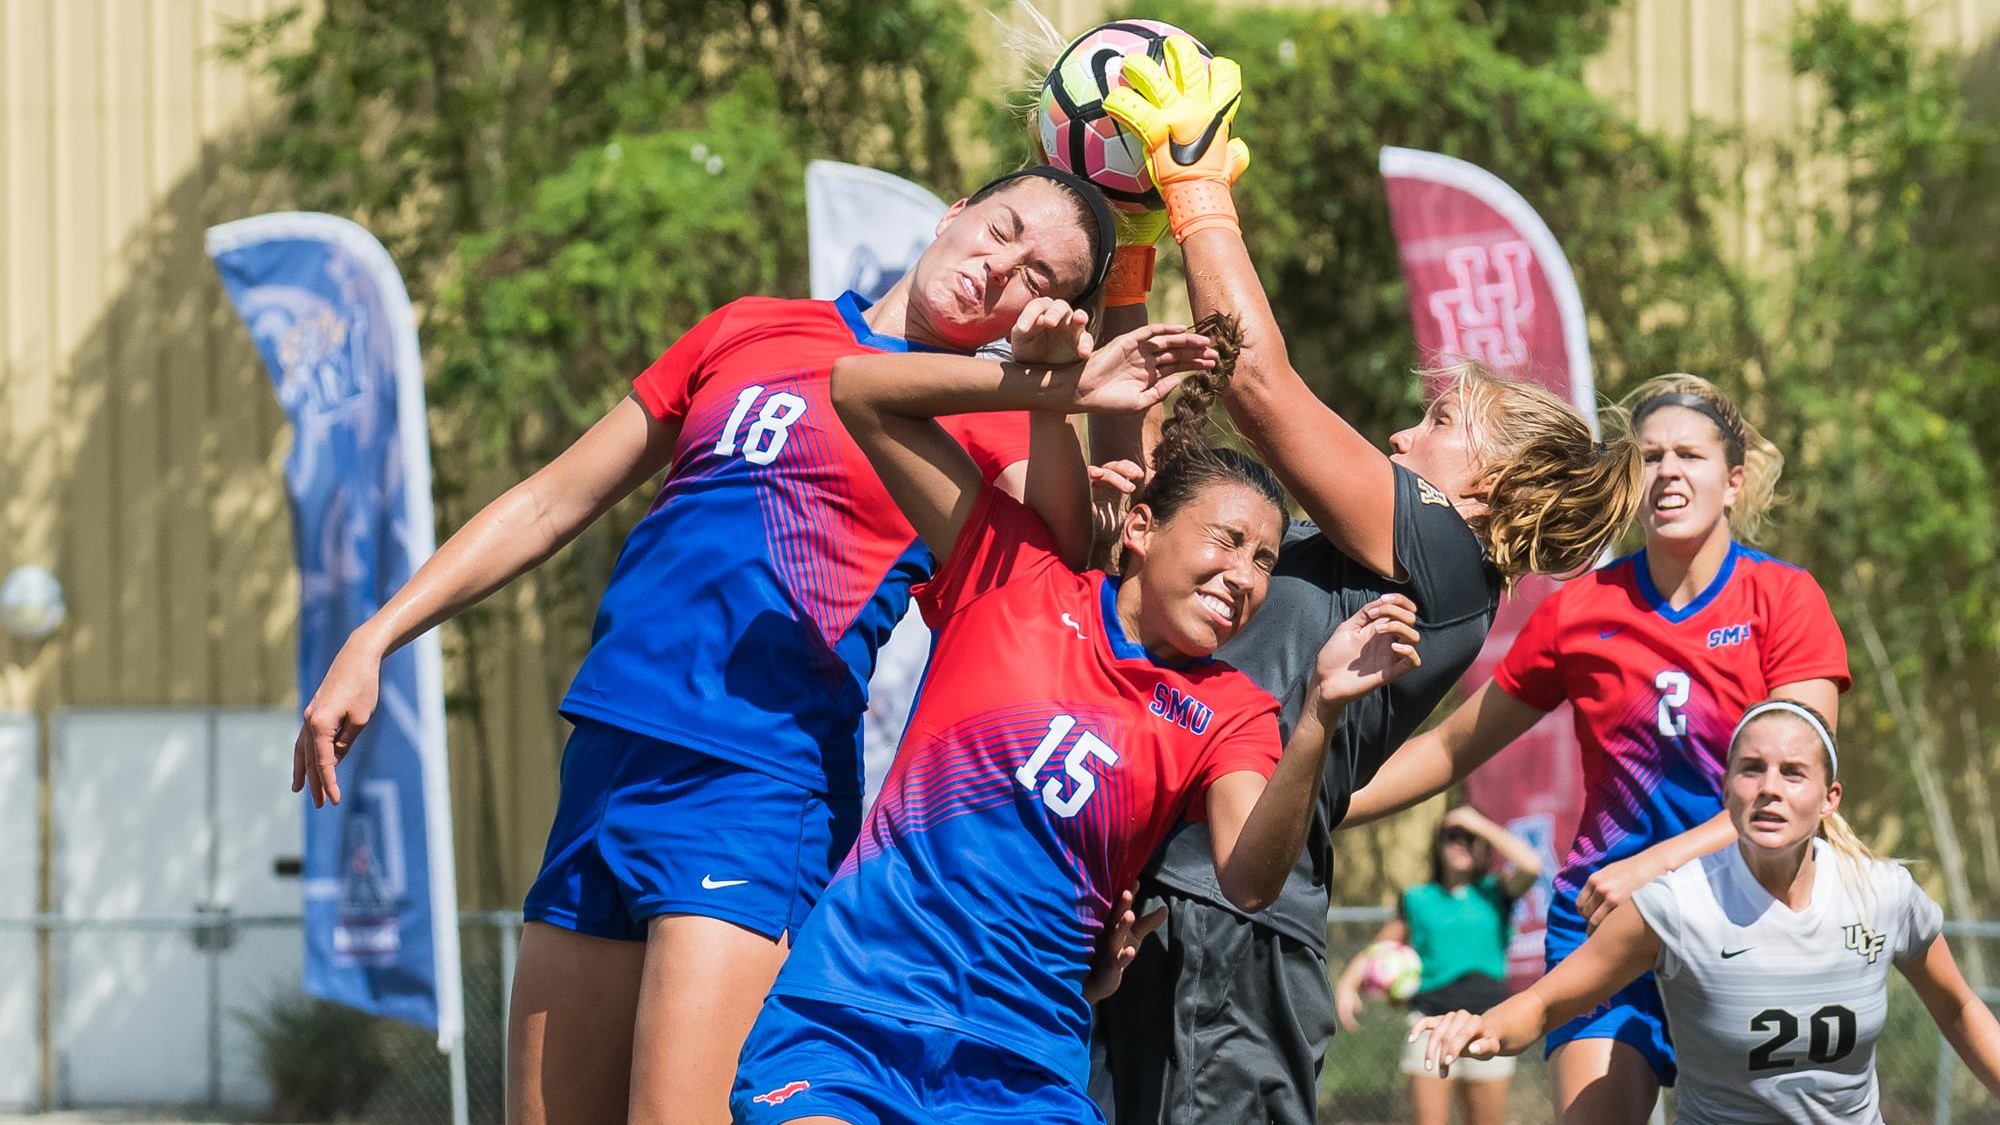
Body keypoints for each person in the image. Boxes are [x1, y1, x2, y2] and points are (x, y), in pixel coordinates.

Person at [286, 167, 1127, 1125]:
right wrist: (378, 633)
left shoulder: (986, 417)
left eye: (1038, 275)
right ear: (955, 213)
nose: (1000, 267)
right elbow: (549, 499)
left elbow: (1056, 559)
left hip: (758, 788)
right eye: (1001, 229)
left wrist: (1056, 392)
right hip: (606, 752)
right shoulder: (751, 325)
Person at [1084, 38, 1646, 1125]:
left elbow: (1253, 378)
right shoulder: (1325, 556)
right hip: (1145, 896)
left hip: (1227, 926)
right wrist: (1131, 255)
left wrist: (1197, 187)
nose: (1398, 431)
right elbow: (1130, 438)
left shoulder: (1443, 558)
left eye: (1436, 423)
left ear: (1493, 488)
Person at [729, 302, 1425, 1125]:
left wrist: (1319, 716)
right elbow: (860, 389)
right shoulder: (1011, 573)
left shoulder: (1230, 707)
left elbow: (1248, 877)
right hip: (853, 1016)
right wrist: (1055, 386)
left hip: (1023, 1062)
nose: (1245, 575)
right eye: (1227, 540)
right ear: (1140, 528)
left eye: (1266, 560)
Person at [1345, 372, 1853, 1123]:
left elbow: (1801, 791)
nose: (1668, 472)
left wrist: (1657, 865)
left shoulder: (1785, 600)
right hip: (1603, 920)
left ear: (1733, 479)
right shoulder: (1581, 609)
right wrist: (1314, 805)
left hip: (1751, 916)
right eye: (1650, 456)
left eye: (1689, 454)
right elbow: (1453, 747)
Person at [1412, 701, 2000, 1123]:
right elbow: (1545, 1004)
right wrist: (1482, 1029)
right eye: (1751, 769)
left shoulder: (1883, 894)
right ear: (1726, 790)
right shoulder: (1676, 906)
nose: (1770, 788)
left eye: (1793, 773)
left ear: (1829, 799)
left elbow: (1959, 1006)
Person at [1333, 807, 1542, 1125]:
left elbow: (1532, 865)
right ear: (1438, 844)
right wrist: (1348, 983)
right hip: (1430, 1024)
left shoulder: (1494, 892)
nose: (1460, 843)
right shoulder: (1418, 899)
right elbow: (1381, 948)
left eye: (1469, 838)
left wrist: (1479, 823)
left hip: (1486, 1024)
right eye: (1451, 836)